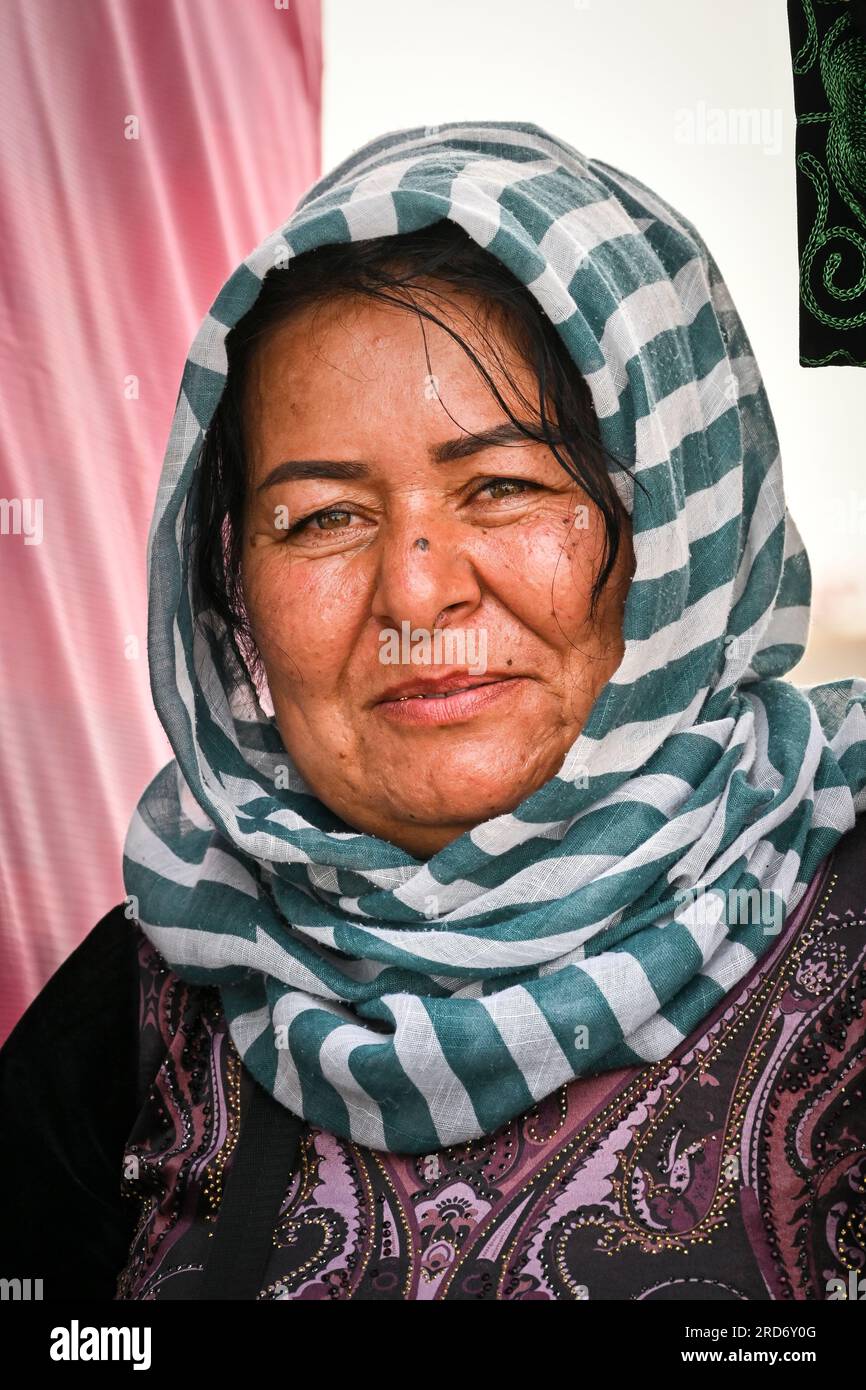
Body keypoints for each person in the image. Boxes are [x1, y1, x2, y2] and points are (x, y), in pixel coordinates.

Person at [2, 119, 866, 1303]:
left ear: (674, 535)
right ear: (233, 586)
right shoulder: (152, 993)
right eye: (321, 516)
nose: (415, 589)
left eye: (504, 486)